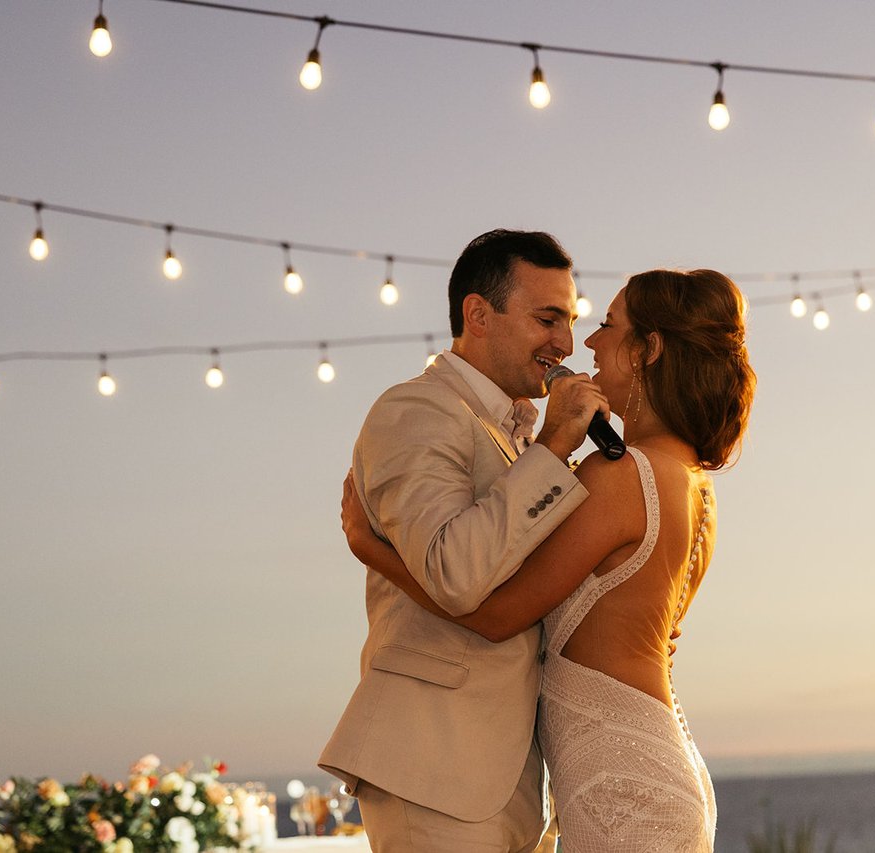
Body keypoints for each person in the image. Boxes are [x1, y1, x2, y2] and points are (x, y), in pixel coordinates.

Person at [342, 269, 756, 851]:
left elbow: (495, 615)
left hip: (620, 783)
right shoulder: (691, 484)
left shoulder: (618, 475)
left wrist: (373, 550)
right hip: (651, 763)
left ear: (649, 349)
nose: (586, 343)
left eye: (609, 326)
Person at [318, 229, 608, 852]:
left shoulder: (514, 434)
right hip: (435, 767)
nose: (566, 342)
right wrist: (556, 448)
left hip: (514, 781)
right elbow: (454, 571)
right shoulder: (415, 410)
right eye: (548, 318)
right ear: (478, 315)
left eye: (571, 320)